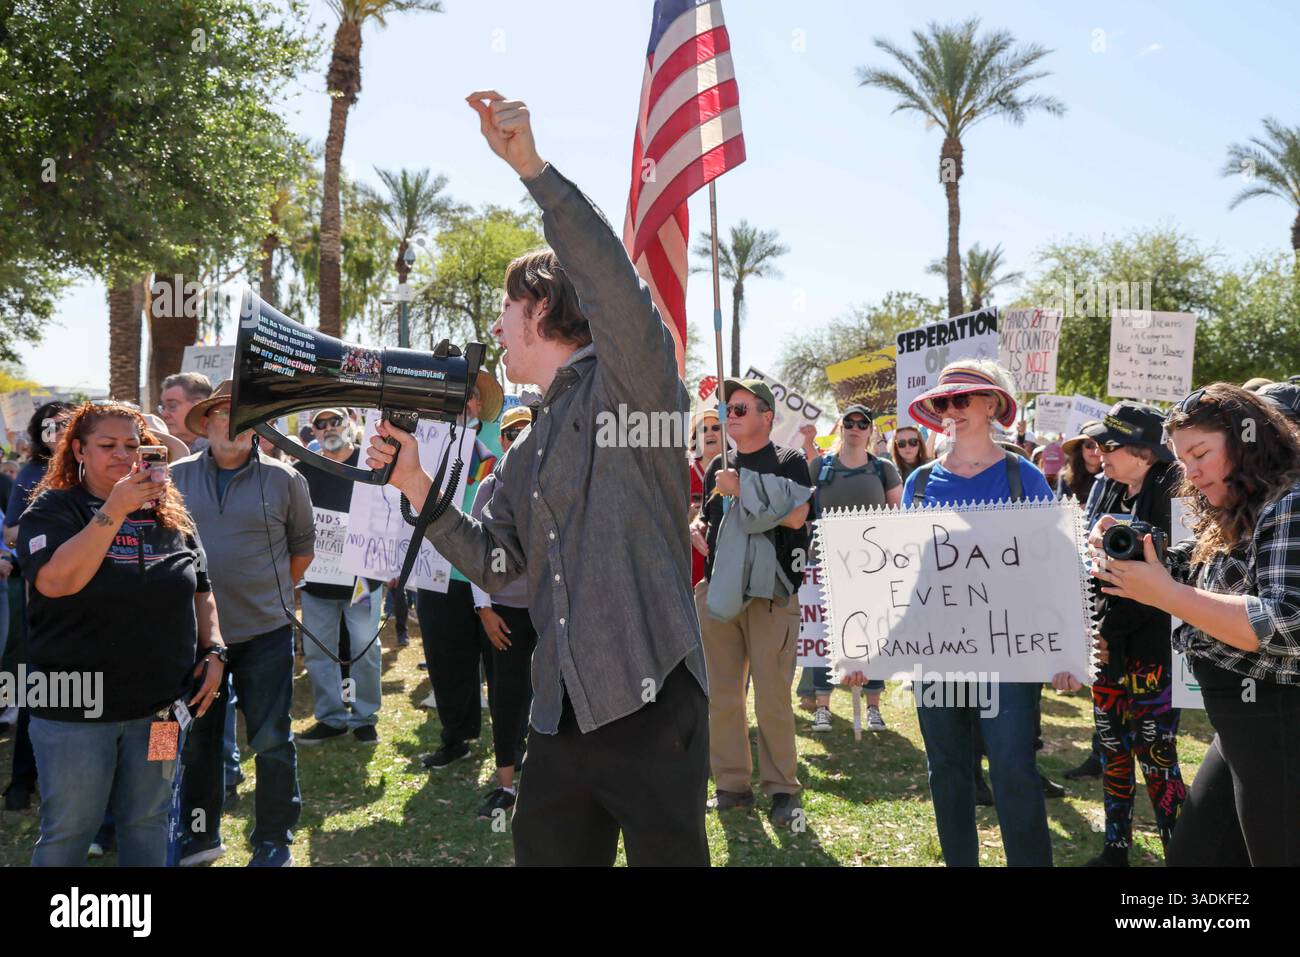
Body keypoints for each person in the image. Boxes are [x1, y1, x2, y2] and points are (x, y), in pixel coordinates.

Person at [367, 90, 709, 866]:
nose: (494, 327)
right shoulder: (528, 442)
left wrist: (531, 169)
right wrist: (420, 486)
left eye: (505, 308)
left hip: (652, 701)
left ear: (546, 306)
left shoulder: (637, 382)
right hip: (556, 717)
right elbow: (503, 564)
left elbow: (615, 284)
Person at [1087, 383, 1300, 866]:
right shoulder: (1239, 503)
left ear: (1249, 442)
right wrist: (1135, 539)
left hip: (1278, 724)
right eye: (1183, 460)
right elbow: (1189, 564)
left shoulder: (1291, 503)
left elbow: (1288, 623)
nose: (1192, 471)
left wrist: (1167, 594)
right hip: (1238, 728)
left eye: (1202, 453)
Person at [15, 402, 224, 865]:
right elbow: (55, 582)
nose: (122, 456)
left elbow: (202, 589)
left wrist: (215, 649)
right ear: (78, 451)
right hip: (74, 707)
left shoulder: (172, 517)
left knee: (149, 820)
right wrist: (115, 509)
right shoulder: (53, 509)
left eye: (132, 445)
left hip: (164, 709)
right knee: (70, 828)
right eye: (107, 446)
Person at [897, 360, 1055, 867]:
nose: (951, 411)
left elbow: (1054, 566)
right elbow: (901, 577)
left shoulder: (1023, 477)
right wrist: (870, 648)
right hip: (937, 652)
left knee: (1012, 767)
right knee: (948, 768)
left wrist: (1065, 651)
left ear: (993, 405)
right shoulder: (918, 484)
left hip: (1009, 652)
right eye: (943, 402)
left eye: (963, 399)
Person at [171, 380, 315, 868]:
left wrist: (263, 597)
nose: (231, 425)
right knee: (197, 741)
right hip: (193, 639)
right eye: (221, 415)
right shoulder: (172, 478)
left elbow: (303, 551)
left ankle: (273, 838)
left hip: (265, 636)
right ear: (206, 423)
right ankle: (198, 834)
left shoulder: (286, 480)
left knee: (272, 738)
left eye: (243, 416)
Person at [1066, 403, 1185, 866]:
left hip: (1151, 647)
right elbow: (1092, 571)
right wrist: (1092, 630)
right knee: (1113, 747)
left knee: (1155, 753)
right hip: (1107, 646)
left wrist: (1106, 631)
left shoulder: (1176, 491)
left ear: (1145, 452)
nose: (1100, 454)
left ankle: (1180, 853)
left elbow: (1173, 578)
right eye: (1098, 444)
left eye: (1110, 446)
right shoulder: (1109, 490)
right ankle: (1116, 846)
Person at [692, 378, 812, 828]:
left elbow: (798, 514)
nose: (730, 416)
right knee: (722, 697)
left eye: (740, 408)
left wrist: (743, 487)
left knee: (773, 697)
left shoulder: (790, 462)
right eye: (727, 410)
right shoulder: (715, 468)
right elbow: (710, 518)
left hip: (770, 597)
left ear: (768, 416)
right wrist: (699, 531)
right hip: (718, 594)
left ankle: (783, 790)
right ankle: (731, 786)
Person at [799, 405, 901, 733]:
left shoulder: (882, 468)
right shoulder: (820, 466)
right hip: (825, 562)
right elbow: (801, 511)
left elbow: (898, 515)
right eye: (850, 422)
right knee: (824, 636)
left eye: (863, 423)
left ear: (870, 431)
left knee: (872, 635)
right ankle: (822, 706)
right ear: (841, 427)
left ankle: (873, 706)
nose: (856, 428)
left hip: (871, 566)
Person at [413, 387, 498, 769]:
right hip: (439, 568)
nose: (465, 402)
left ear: (481, 403)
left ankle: (514, 742)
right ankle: (456, 737)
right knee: (446, 660)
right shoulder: (426, 440)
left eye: (472, 396)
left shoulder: (503, 437)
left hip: (493, 568)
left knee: (503, 661)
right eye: (457, 394)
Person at [294, 408, 383, 745]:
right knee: (318, 652)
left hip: (361, 582)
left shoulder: (372, 465)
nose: (329, 428)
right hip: (317, 582)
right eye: (321, 424)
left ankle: (364, 719)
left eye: (336, 422)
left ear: (351, 426)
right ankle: (331, 718)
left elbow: (390, 514)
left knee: (364, 650)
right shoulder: (301, 471)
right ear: (313, 433)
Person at [3, 400, 73, 812]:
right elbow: (11, 531)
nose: (59, 433)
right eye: (52, 427)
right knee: (38, 689)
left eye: (68, 425)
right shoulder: (31, 474)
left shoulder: (103, 475)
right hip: (44, 602)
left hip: (106, 612)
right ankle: (23, 781)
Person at [468, 404, 538, 820]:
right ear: (501, 441)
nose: (516, 442)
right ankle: (506, 786)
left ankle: (545, 776)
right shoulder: (489, 487)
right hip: (506, 611)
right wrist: (484, 610)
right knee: (508, 697)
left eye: (525, 434)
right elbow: (476, 553)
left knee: (550, 696)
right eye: (510, 435)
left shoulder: (553, 480)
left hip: (548, 611)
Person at [688, 407, 725, 588]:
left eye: (716, 428)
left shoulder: (737, 470)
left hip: (728, 569)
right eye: (703, 429)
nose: (710, 433)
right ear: (695, 438)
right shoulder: (681, 473)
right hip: (689, 568)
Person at [157, 372, 214, 450]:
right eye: (163, 407)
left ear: (199, 406)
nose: (164, 414)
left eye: (172, 406)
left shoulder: (220, 452)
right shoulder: (163, 451)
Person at [1057, 424, 1104, 506]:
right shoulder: (1065, 478)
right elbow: (1062, 509)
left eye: (1099, 445)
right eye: (1089, 445)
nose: (1095, 450)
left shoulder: (1113, 479)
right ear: (1080, 449)